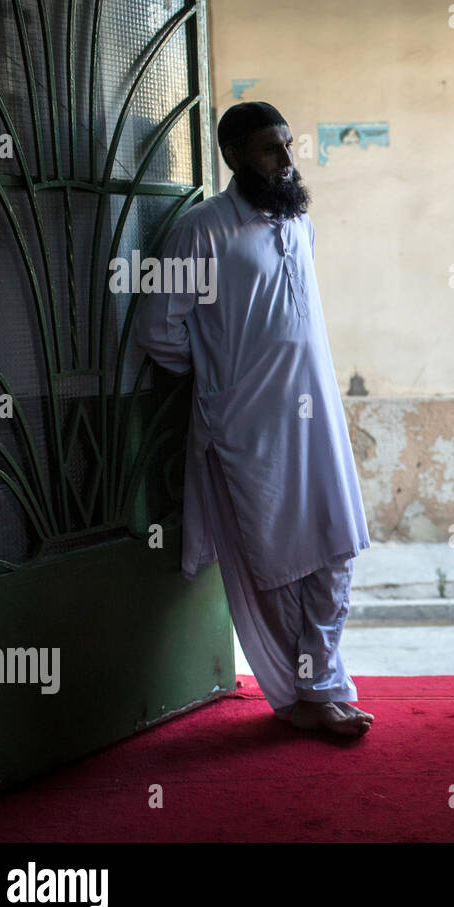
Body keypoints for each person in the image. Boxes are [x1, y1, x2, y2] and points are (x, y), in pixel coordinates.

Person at [135, 102, 374, 737]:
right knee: (274, 563)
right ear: (235, 157)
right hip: (249, 429)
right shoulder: (201, 230)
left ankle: (321, 679)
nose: (288, 160)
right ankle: (307, 696)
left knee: (337, 545)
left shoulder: (298, 223)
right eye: (272, 149)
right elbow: (158, 328)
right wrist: (223, 376)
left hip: (315, 417)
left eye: (289, 145)